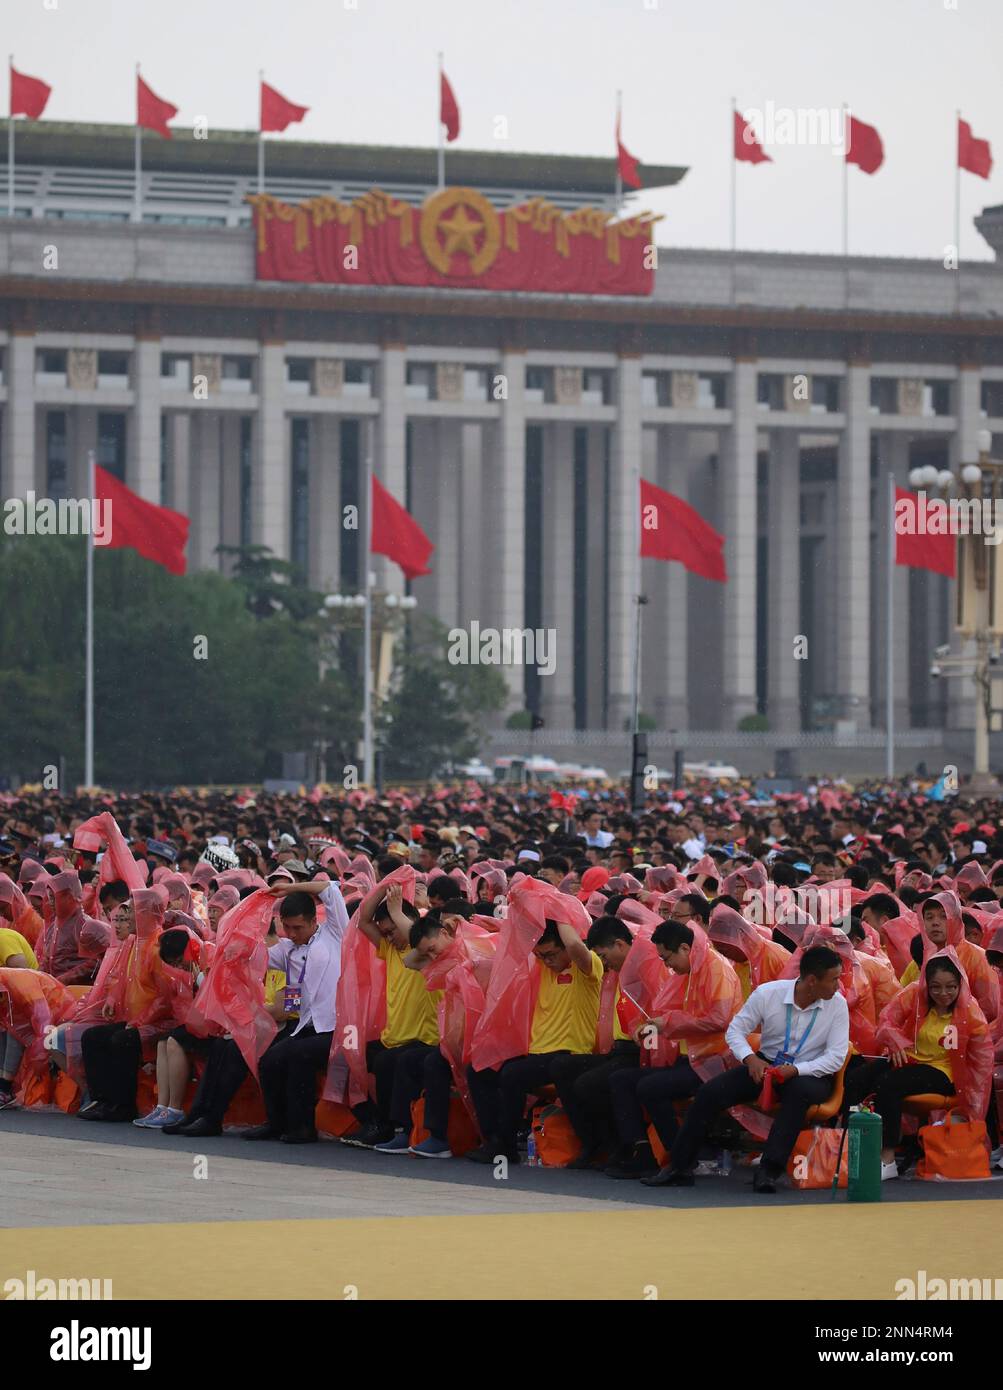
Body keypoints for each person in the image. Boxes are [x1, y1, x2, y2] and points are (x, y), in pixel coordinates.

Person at [643, 945, 848, 1193]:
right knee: (710, 1093)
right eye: (834, 979)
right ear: (812, 981)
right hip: (764, 1065)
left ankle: (769, 1171)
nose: (839, 985)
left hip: (809, 1073)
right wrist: (750, 1059)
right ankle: (679, 1167)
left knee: (798, 1093)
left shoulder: (837, 1005)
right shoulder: (768, 994)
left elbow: (835, 1057)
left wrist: (796, 1070)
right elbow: (735, 1031)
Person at [466, 906, 603, 1165]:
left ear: (565, 947)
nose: (546, 960)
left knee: (513, 1075)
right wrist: (498, 925)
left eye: (551, 954)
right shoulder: (542, 968)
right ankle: (494, 1139)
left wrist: (560, 910)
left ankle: (505, 1147)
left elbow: (575, 945)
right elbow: (519, 941)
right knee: (478, 1069)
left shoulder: (587, 969)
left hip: (569, 1054)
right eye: (540, 955)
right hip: (538, 1054)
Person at [604, 919, 742, 1179]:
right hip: (689, 1058)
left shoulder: (715, 968)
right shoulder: (690, 971)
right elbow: (669, 1010)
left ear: (684, 948)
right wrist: (650, 1026)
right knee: (621, 1080)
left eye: (667, 959)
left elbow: (719, 1019)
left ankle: (679, 1161)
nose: (667, 966)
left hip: (714, 1060)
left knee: (650, 1087)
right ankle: (643, 1154)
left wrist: (665, 1022)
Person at [847, 950, 994, 1179]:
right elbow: (887, 1020)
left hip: (944, 1072)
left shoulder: (971, 1012)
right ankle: (848, 1144)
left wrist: (971, 1096)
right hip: (911, 1059)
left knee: (888, 1084)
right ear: (927, 984)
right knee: (857, 1078)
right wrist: (895, 1043)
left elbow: (983, 1057)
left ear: (960, 985)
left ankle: (887, 1158)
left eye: (951, 987)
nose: (943, 994)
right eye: (936, 987)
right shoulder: (914, 994)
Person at [242, 877, 348, 1144]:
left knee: (299, 1055)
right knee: (269, 1060)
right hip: (304, 1025)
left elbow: (329, 889)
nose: (291, 932)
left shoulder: (335, 933)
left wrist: (290, 889)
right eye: (286, 927)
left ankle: (303, 1127)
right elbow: (257, 957)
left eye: (297, 927)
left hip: (336, 1028)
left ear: (314, 921)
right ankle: (276, 1123)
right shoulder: (288, 949)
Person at [341, 877, 438, 1151]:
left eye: (392, 930)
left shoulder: (424, 954)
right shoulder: (391, 950)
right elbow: (363, 921)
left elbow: (420, 940)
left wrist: (397, 911)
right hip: (395, 1037)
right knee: (355, 1054)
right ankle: (376, 1122)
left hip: (423, 1039)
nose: (388, 937)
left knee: (389, 1062)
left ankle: (400, 1129)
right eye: (384, 932)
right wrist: (384, 887)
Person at [546, 916, 642, 1168]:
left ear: (620, 945)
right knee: (562, 1066)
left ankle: (622, 1147)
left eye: (603, 954)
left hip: (640, 1052)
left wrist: (561, 910)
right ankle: (593, 1143)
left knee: (591, 1083)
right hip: (617, 1050)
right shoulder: (617, 971)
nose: (603, 961)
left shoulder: (645, 967)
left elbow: (576, 948)